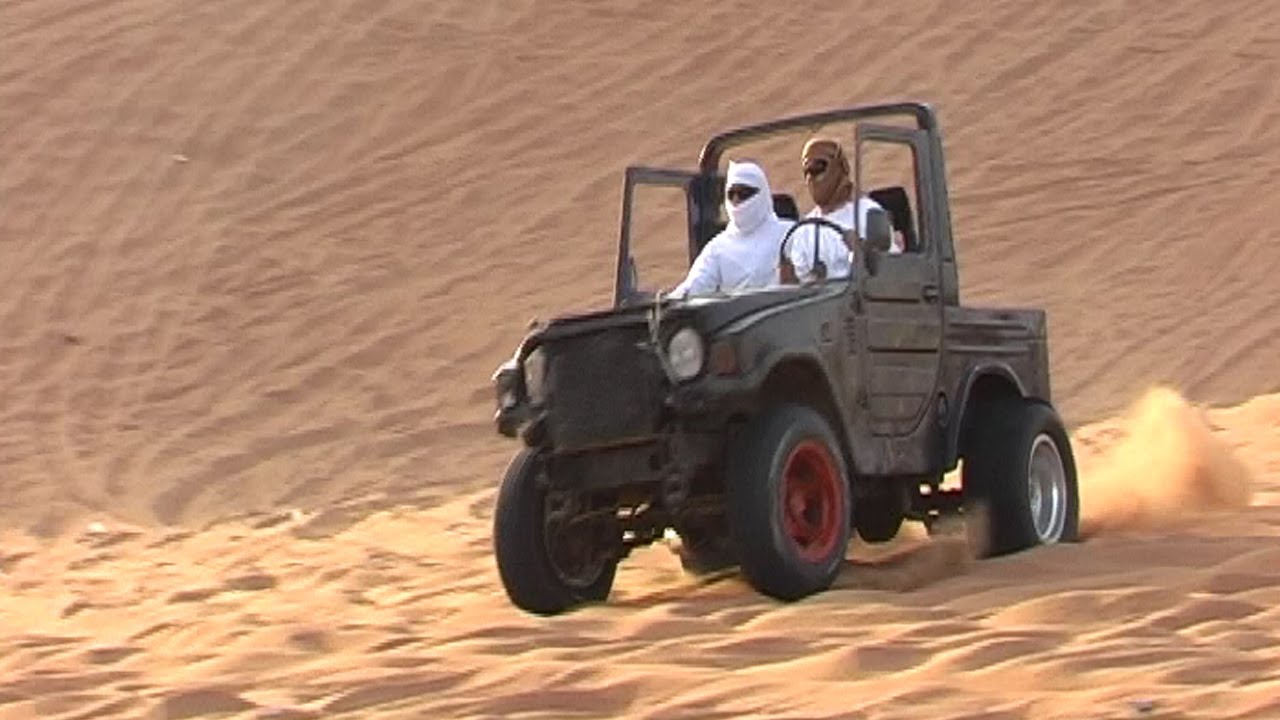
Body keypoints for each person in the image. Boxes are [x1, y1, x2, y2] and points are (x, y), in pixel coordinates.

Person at [784, 137, 900, 284]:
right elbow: (802, 285)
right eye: (807, 171)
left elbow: (889, 273)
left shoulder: (868, 213)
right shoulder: (805, 229)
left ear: (839, 167)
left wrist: (860, 252)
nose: (811, 177)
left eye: (819, 168)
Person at [670, 159, 792, 298]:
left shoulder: (791, 234)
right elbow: (695, 286)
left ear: (762, 194)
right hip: (739, 319)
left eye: (743, 193)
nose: (736, 200)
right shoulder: (718, 247)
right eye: (731, 194)